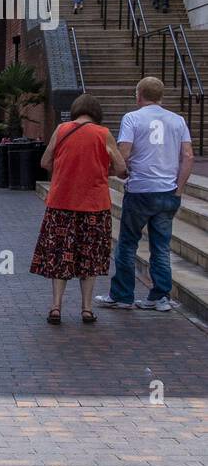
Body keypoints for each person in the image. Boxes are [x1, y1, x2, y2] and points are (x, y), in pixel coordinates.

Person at [97, 77, 194, 312]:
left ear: (139, 95)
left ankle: (122, 295)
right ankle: (160, 296)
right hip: (167, 190)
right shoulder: (178, 120)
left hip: (140, 189)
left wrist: (120, 171)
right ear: (161, 96)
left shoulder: (132, 118)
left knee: (128, 244)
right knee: (161, 246)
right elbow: (188, 156)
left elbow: (125, 151)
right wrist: (179, 188)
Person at [33, 94, 127, 324]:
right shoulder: (103, 133)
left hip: (61, 203)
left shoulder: (62, 129)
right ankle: (86, 309)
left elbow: (45, 162)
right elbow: (121, 166)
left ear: (76, 110)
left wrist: (66, 169)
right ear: (96, 112)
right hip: (94, 205)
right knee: (90, 257)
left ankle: (56, 307)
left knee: (59, 255)